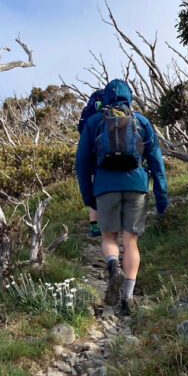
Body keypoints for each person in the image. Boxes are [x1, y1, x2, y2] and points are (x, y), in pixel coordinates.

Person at [75, 78, 168, 315]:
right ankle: (127, 298)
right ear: (130, 97)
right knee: (131, 242)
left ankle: (113, 266)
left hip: (105, 186)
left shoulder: (95, 122)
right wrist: (161, 196)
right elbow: (157, 161)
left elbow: (82, 162)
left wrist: (88, 195)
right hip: (136, 185)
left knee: (108, 237)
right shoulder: (141, 121)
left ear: (105, 97)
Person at [77, 89, 105, 237]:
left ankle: (94, 225)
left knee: (94, 185)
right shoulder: (113, 108)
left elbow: (81, 129)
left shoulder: (89, 112)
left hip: (92, 150)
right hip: (110, 151)